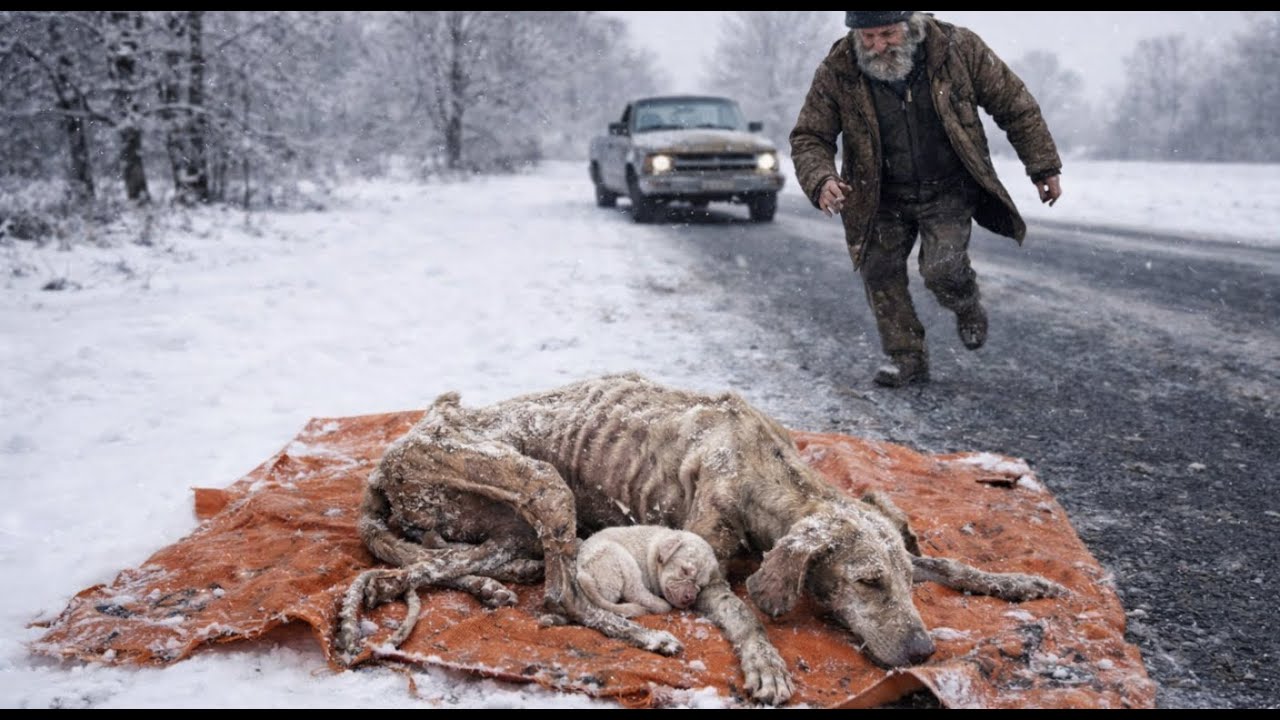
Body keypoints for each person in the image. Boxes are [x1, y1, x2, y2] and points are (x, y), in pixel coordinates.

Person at [790, 11, 1063, 387]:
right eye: (867, 37)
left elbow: (1014, 104)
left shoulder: (957, 48)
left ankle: (966, 303)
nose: (878, 45)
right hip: (879, 195)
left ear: (910, 23)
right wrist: (821, 180)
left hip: (948, 188)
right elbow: (810, 136)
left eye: (887, 34)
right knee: (879, 271)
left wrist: (1043, 166)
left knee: (942, 270)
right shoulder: (839, 67)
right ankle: (907, 359)